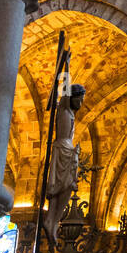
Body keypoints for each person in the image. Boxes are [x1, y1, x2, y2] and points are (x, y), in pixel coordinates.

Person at [42, 84, 86, 238]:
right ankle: (50, 220)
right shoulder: (63, 109)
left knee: (67, 187)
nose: (80, 104)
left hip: (69, 152)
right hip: (61, 150)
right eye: (79, 100)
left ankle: (54, 221)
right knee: (57, 186)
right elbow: (65, 90)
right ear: (71, 98)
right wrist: (66, 63)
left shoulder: (71, 113)